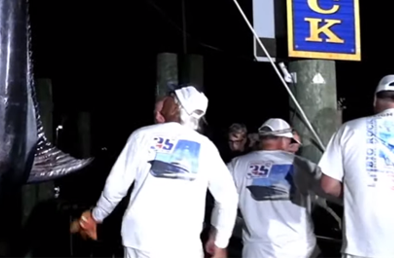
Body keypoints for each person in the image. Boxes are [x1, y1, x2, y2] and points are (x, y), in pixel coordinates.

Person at [73, 86, 238, 258]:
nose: (162, 103)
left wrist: (96, 216)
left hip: (140, 241)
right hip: (184, 246)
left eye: (168, 98)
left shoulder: (142, 136)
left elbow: (116, 185)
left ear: (175, 106)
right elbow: (228, 198)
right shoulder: (206, 146)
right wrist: (220, 242)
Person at [319, 74, 394, 258]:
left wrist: (357, 194)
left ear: (375, 100)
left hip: (363, 247)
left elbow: (328, 186)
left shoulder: (350, 129)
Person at [228, 118, 334, 258]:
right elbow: (331, 190)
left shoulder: (235, 165)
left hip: (257, 251)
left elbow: (223, 203)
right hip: (299, 250)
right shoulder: (302, 165)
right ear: (285, 140)